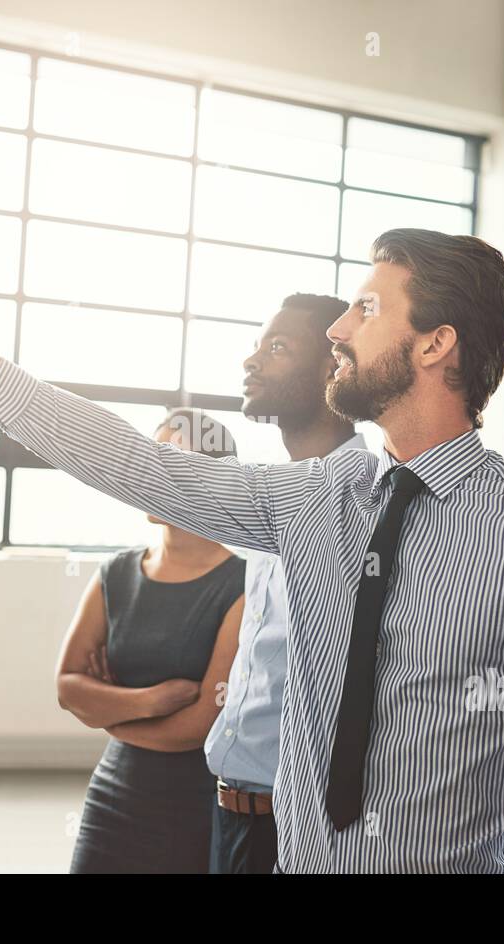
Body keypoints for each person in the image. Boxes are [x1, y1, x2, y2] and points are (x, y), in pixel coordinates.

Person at [0, 228, 504, 874]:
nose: (337, 328)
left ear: (436, 345)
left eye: (365, 308)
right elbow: (135, 463)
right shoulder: (316, 497)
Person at [206, 293, 364, 874]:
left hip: (299, 823)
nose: (251, 362)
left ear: (334, 367)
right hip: (232, 808)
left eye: (276, 347)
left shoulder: (366, 502)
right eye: (256, 346)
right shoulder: (267, 495)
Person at [57, 408, 245, 873]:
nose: (149, 472)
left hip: (194, 809)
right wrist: (149, 700)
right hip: (111, 794)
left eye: (169, 459)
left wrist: (107, 709)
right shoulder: (117, 571)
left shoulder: (242, 583)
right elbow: (67, 688)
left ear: (211, 479)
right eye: (148, 457)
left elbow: (201, 725)